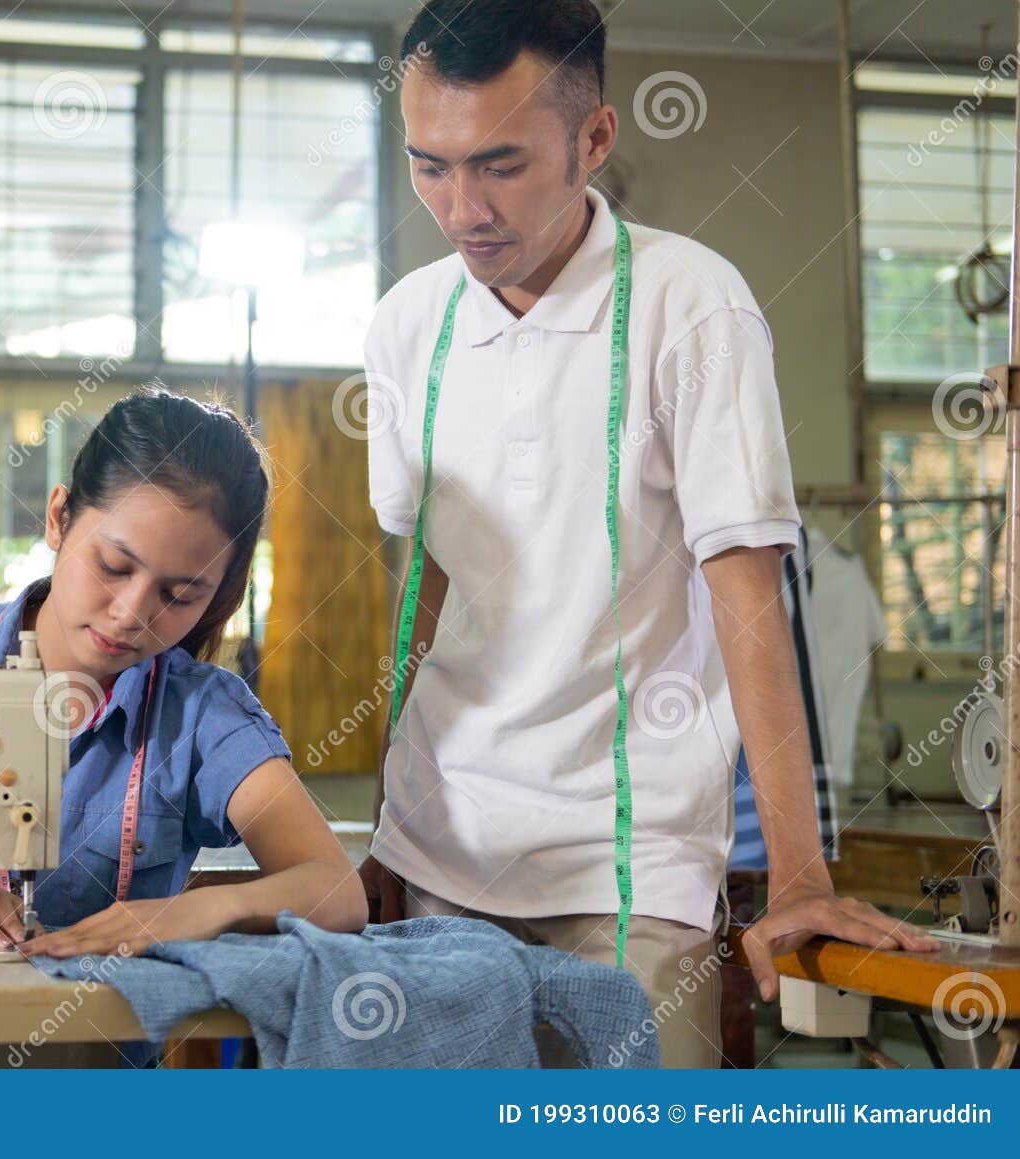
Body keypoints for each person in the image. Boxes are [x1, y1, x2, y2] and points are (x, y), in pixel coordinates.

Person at [358, 0, 938, 1067]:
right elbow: (421, 592)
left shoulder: (691, 305)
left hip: (630, 862)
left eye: (498, 164)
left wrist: (803, 872)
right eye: (427, 165)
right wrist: (385, 821)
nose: (461, 206)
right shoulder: (407, 324)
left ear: (594, 140)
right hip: (441, 851)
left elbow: (746, 592)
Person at [0, 389, 366, 961]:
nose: (132, 613)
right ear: (59, 518)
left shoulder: (201, 714)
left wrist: (195, 912)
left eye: (180, 594)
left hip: (99, 1051)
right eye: (114, 566)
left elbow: (336, 891)